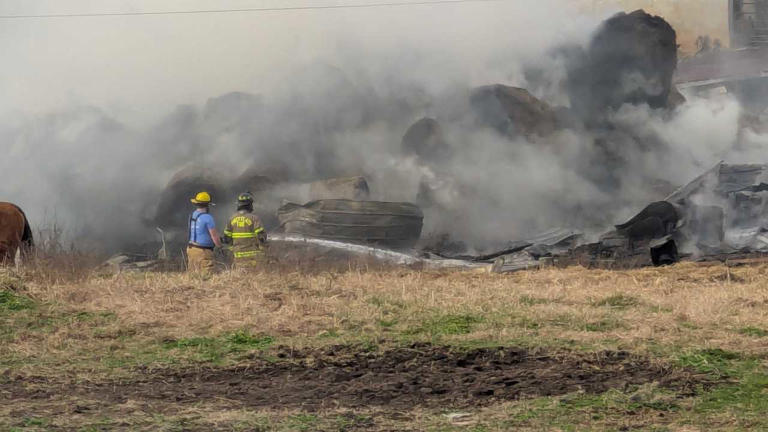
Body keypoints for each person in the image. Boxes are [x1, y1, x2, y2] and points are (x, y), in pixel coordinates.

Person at [223, 192, 266, 268]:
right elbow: (261, 236)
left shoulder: (231, 219)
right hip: (253, 257)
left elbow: (226, 238)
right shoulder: (254, 218)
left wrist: (232, 249)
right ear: (249, 205)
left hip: (238, 256)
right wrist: (263, 249)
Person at [187, 191, 222, 274]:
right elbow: (214, 236)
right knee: (207, 275)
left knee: (194, 275)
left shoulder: (192, 215)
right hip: (203, 252)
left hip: (191, 249)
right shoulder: (208, 218)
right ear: (207, 205)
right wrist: (219, 246)